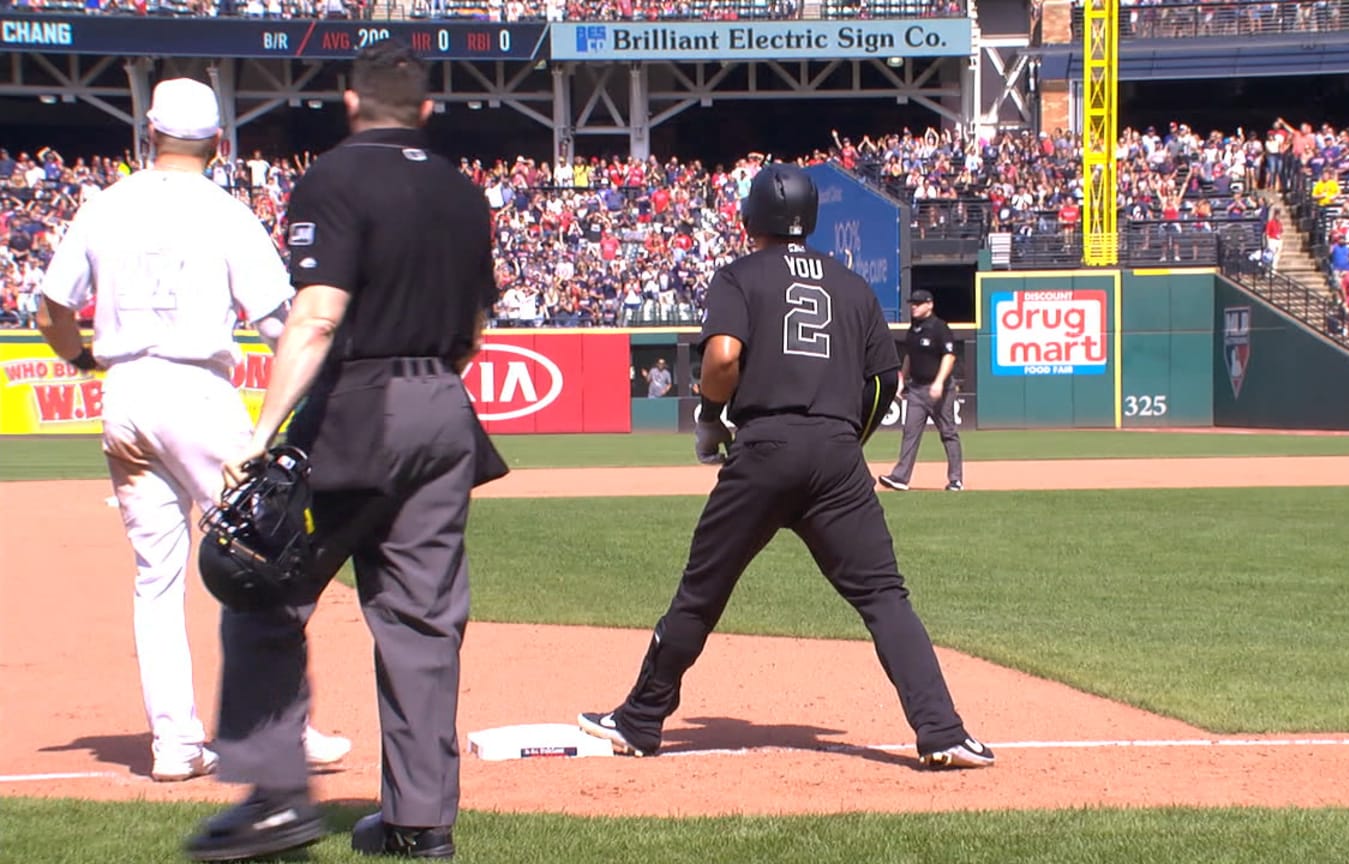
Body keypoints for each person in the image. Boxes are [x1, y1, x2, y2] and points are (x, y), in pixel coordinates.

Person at [184, 41, 507, 862]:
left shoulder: (334, 175)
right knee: (424, 621)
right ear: (426, 110)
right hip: (445, 404)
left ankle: (274, 799)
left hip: (363, 402)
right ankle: (420, 823)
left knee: (262, 585)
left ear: (351, 101)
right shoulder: (467, 194)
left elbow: (318, 315)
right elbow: (472, 330)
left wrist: (261, 434)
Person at [576, 163, 993, 771]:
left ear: (753, 219)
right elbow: (881, 383)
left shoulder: (738, 276)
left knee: (701, 593)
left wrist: (709, 417)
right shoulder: (852, 285)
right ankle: (943, 731)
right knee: (883, 596)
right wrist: (847, 437)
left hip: (765, 449)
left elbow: (721, 356)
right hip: (837, 458)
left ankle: (640, 721)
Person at [34, 77, 350, 786]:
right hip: (195, 392)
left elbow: (51, 309)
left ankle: (175, 744)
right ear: (218, 142)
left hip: (124, 395)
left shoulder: (103, 205)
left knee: (156, 579)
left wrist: (80, 356)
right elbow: (280, 321)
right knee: (268, 553)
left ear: (147, 135)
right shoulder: (225, 212)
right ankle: (282, 726)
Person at [877, 289, 963, 492]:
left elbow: (949, 357)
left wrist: (939, 382)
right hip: (916, 388)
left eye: (918, 303)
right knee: (910, 432)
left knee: (948, 433)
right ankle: (900, 477)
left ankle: (955, 479)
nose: (913, 306)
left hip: (939, 389)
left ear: (929, 305)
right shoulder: (913, 329)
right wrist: (902, 379)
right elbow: (909, 356)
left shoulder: (939, 328)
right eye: (912, 303)